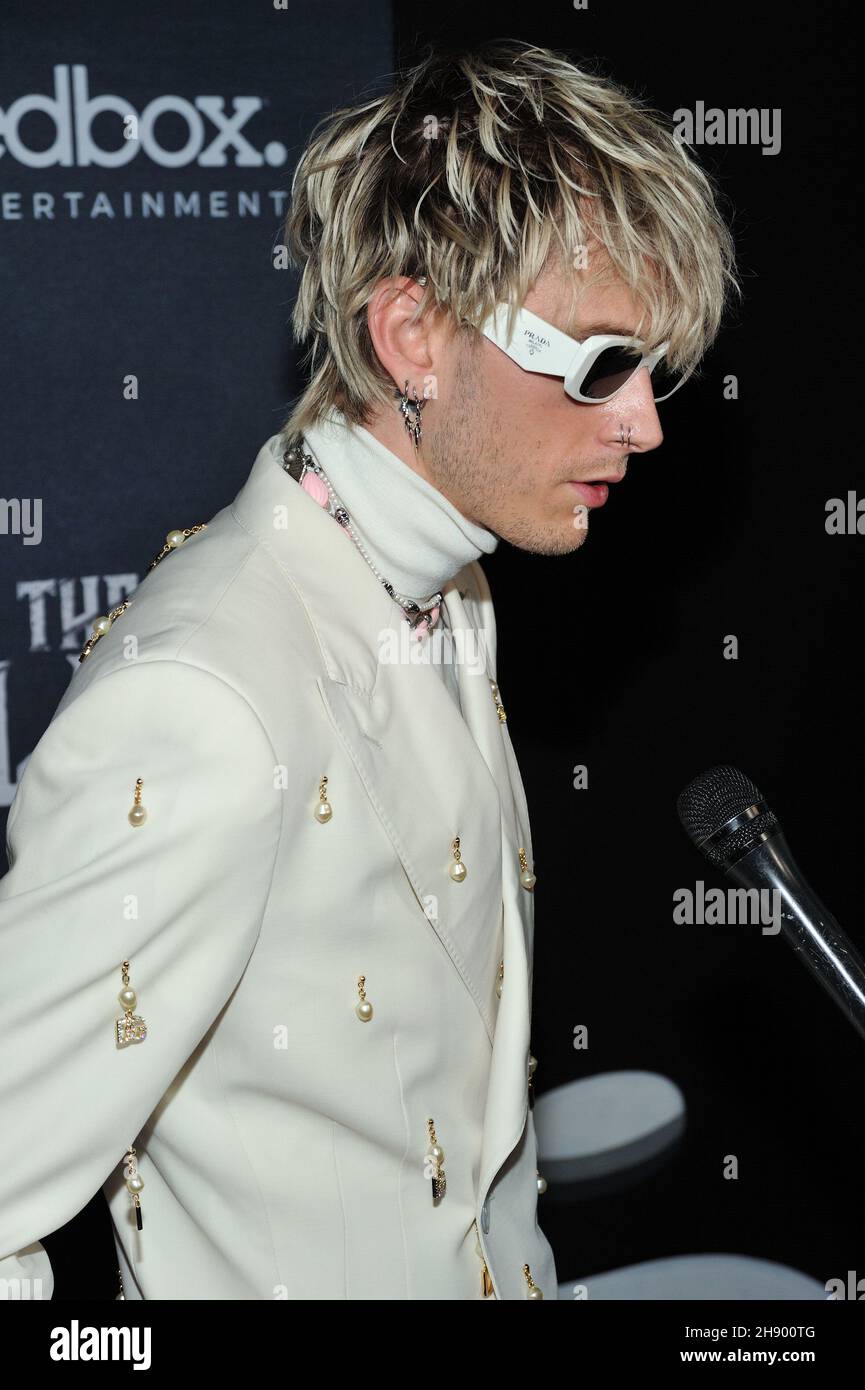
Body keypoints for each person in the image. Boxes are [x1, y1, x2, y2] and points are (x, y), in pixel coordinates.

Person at [0, 39, 737, 1301]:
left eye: (657, 369)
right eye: (601, 363)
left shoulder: (457, 590)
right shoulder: (204, 700)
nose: (645, 421)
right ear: (412, 334)